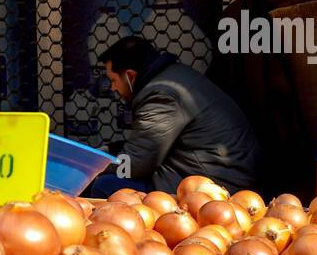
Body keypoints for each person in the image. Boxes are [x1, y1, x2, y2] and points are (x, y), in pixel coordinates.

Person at [88, 36, 261, 197]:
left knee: (105, 185)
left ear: (130, 75)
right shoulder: (175, 75)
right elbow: (145, 149)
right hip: (224, 175)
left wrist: (96, 166)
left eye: (113, 80)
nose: (112, 88)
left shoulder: (161, 95)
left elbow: (136, 164)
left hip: (214, 187)